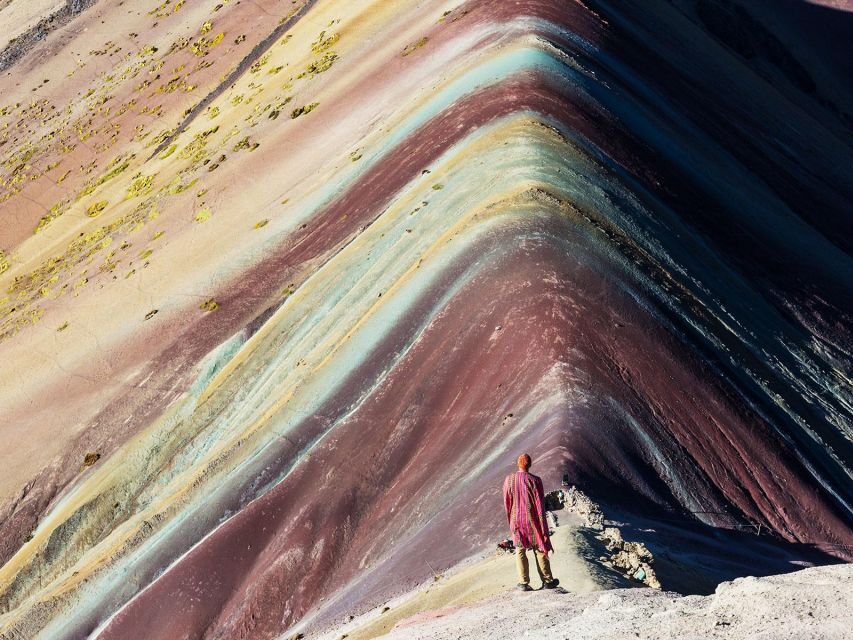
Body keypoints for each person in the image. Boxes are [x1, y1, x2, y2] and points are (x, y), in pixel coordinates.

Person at [502, 453, 560, 591]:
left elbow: (506, 501)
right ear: (530, 464)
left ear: (518, 463)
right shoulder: (535, 481)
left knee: (520, 550)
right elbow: (540, 504)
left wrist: (511, 518)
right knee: (539, 549)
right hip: (532, 520)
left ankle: (523, 583)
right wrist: (542, 525)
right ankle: (547, 581)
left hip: (516, 520)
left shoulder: (509, 480)